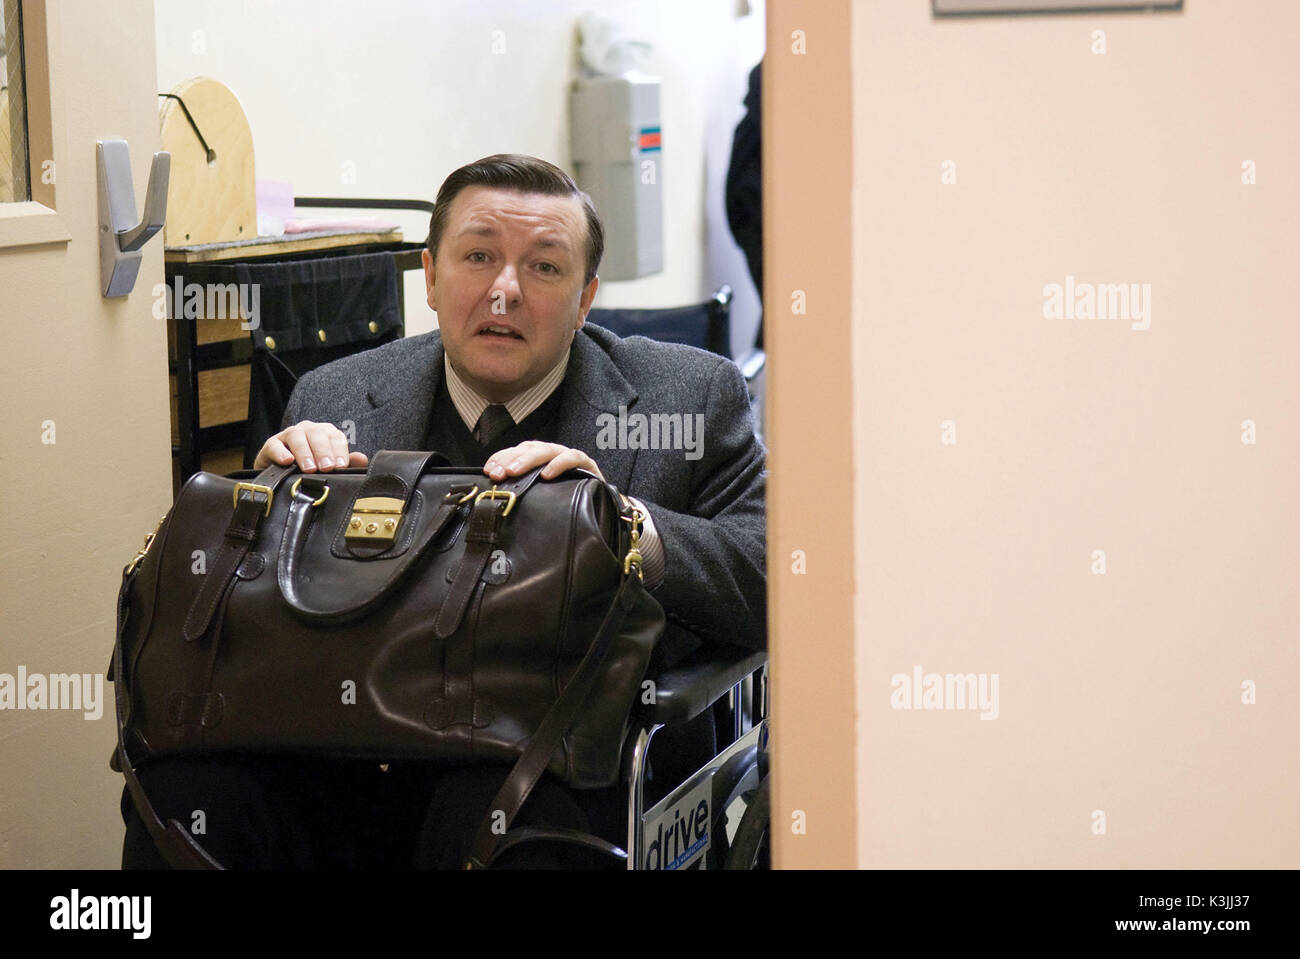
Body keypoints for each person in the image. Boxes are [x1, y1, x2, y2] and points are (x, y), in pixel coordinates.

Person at [122, 154, 765, 869]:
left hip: (559, 755)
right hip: (348, 747)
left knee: (499, 819)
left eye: (545, 268)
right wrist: (273, 498)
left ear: (586, 299)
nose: (504, 291)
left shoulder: (688, 398)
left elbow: (774, 578)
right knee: (185, 797)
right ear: (430, 276)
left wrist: (630, 526)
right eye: (479, 256)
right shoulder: (335, 396)